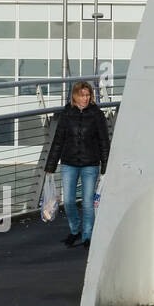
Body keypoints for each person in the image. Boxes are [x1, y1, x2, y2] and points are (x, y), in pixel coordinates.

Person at [43, 80, 111, 249]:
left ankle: (87, 235)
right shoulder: (67, 114)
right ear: (75, 96)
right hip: (69, 163)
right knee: (69, 202)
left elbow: (104, 141)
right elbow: (58, 140)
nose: (85, 99)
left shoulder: (97, 114)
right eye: (82, 96)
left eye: (88, 95)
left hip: (90, 164)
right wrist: (50, 167)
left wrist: (105, 167)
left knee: (88, 202)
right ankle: (75, 230)